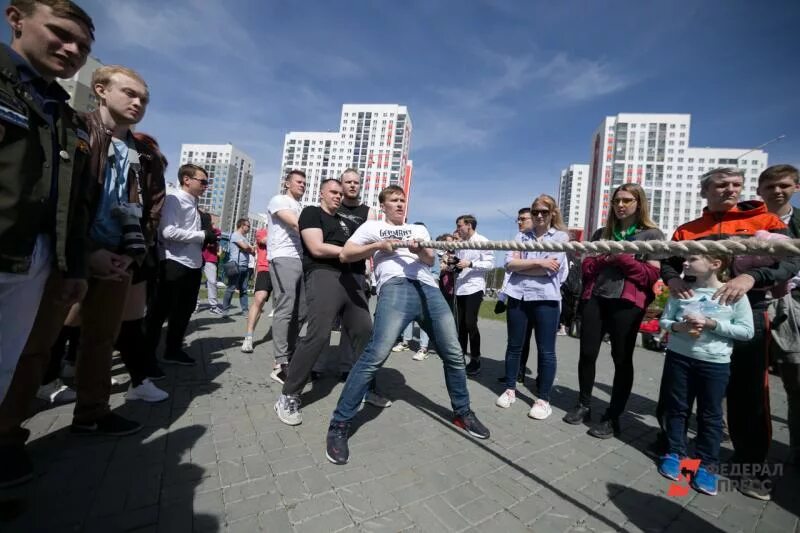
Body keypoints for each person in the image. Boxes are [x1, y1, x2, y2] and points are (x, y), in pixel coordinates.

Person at [325, 185, 490, 465]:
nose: (400, 204)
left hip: (427, 288)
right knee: (375, 354)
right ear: (384, 205)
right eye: (394, 200)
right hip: (396, 287)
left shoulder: (418, 230)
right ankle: (339, 424)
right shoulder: (372, 226)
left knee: (453, 353)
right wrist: (378, 246)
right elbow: (345, 255)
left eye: (403, 200)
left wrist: (422, 250)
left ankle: (463, 412)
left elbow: (429, 260)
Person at [660, 167, 798, 500]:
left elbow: (790, 262)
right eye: (722, 185)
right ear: (705, 190)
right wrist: (672, 279)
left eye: (736, 185)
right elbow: (668, 262)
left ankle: (750, 465)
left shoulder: (765, 222)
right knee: (683, 387)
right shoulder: (687, 230)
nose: (731, 190)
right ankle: (676, 448)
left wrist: (753, 277)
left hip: (747, 310)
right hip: (697, 312)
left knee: (748, 393)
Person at [0, 0, 94, 408]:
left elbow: (72, 202)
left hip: (32, 259)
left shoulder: (66, 116)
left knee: (6, 365)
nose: (72, 50)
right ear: (16, 19)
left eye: (83, 48)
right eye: (61, 33)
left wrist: (73, 265)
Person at [563, 183, 664, 438]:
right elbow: (587, 271)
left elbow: (651, 275)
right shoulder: (601, 233)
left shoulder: (651, 235)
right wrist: (594, 259)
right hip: (595, 298)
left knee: (621, 358)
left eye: (627, 200)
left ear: (638, 203)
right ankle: (584, 404)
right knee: (587, 353)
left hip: (627, 303)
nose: (621, 205)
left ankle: (613, 416)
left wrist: (620, 258)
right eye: (617, 200)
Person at [274, 179, 377, 426]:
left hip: (353, 278)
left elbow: (364, 247)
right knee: (318, 334)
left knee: (365, 331)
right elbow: (317, 248)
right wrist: (349, 252)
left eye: (341, 194)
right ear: (321, 193)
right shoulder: (311, 212)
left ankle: (368, 387)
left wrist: (369, 250)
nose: (338, 196)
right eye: (333, 192)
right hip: (324, 273)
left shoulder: (348, 222)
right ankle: (289, 394)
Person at [657, 253, 754, 496]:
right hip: (679, 358)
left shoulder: (733, 294)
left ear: (715, 264)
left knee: (710, 415)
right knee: (677, 408)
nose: (685, 264)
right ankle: (675, 453)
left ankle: (706, 464)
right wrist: (679, 326)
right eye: (685, 260)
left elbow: (746, 331)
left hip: (714, 363)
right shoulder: (682, 291)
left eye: (693, 259)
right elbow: (665, 320)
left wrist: (711, 324)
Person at [496, 195, 568, 420]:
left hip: (546, 299)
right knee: (514, 346)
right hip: (518, 297)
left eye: (544, 212)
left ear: (552, 213)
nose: (538, 215)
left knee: (546, 350)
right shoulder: (520, 236)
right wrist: (539, 262)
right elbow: (509, 264)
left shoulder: (561, 237)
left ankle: (543, 399)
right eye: (535, 211)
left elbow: (552, 269)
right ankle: (510, 388)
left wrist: (524, 266)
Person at [145, 164, 215, 367]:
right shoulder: (174, 198)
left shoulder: (194, 204)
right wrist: (201, 235)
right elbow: (167, 232)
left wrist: (204, 234)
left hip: (193, 265)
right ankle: (146, 358)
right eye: (203, 181)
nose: (206, 186)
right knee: (159, 312)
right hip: (173, 262)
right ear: (187, 179)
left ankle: (173, 350)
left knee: (184, 311)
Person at [757, 164, 800, 468]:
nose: (777, 191)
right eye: (770, 186)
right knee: (743, 377)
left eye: (784, 185)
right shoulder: (747, 221)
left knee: (795, 378)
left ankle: (797, 449)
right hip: (752, 300)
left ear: (796, 187)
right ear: (760, 190)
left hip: (792, 304)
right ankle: (736, 434)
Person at [267, 170, 306, 384]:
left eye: (304, 183)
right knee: (285, 308)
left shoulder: (302, 206)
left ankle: (290, 355)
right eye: (298, 182)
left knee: (302, 312)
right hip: (283, 257)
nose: (302, 185)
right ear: (287, 183)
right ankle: (279, 364)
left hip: (301, 260)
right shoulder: (279, 200)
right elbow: (295, 224)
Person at [454, 215, 494, 376]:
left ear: (469, 225)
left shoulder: (483, 241)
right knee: (461, 325)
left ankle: (476, 358)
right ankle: (460, 357)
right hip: (460, 288)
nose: (457, 229)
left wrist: (471, 264)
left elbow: (490, 264)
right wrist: (452, 263)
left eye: (459, 226)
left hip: (475, 288)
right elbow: (459, 264)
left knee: (470, 323)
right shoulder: (460, 244)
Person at [241, 226, 272, 353]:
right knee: (260, 299)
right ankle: (248, 337)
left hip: (282, 268)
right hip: (265, 268)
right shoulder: (262, 231)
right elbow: (265, 240)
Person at [221, 218, 253, 315]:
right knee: (231, 288)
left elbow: (252, 251)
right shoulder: (235, 235)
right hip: (236, 265)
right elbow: (246, 247)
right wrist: (249, 248)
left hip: (245, 266)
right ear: (242, 226)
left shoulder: (244, 238)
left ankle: (245, 310)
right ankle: (225, 310)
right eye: (248, 226)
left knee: (243, 289)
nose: (249, 228)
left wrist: (249, 248)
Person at [200, 209, 223, 315]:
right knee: (195, 283)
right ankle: (195, 305)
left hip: (210, 258)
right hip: (198, 257)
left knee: (212, 282)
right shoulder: (198, 229)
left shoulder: (216, 231)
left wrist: (210, 231)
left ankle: (213, 306)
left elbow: (212, 244)